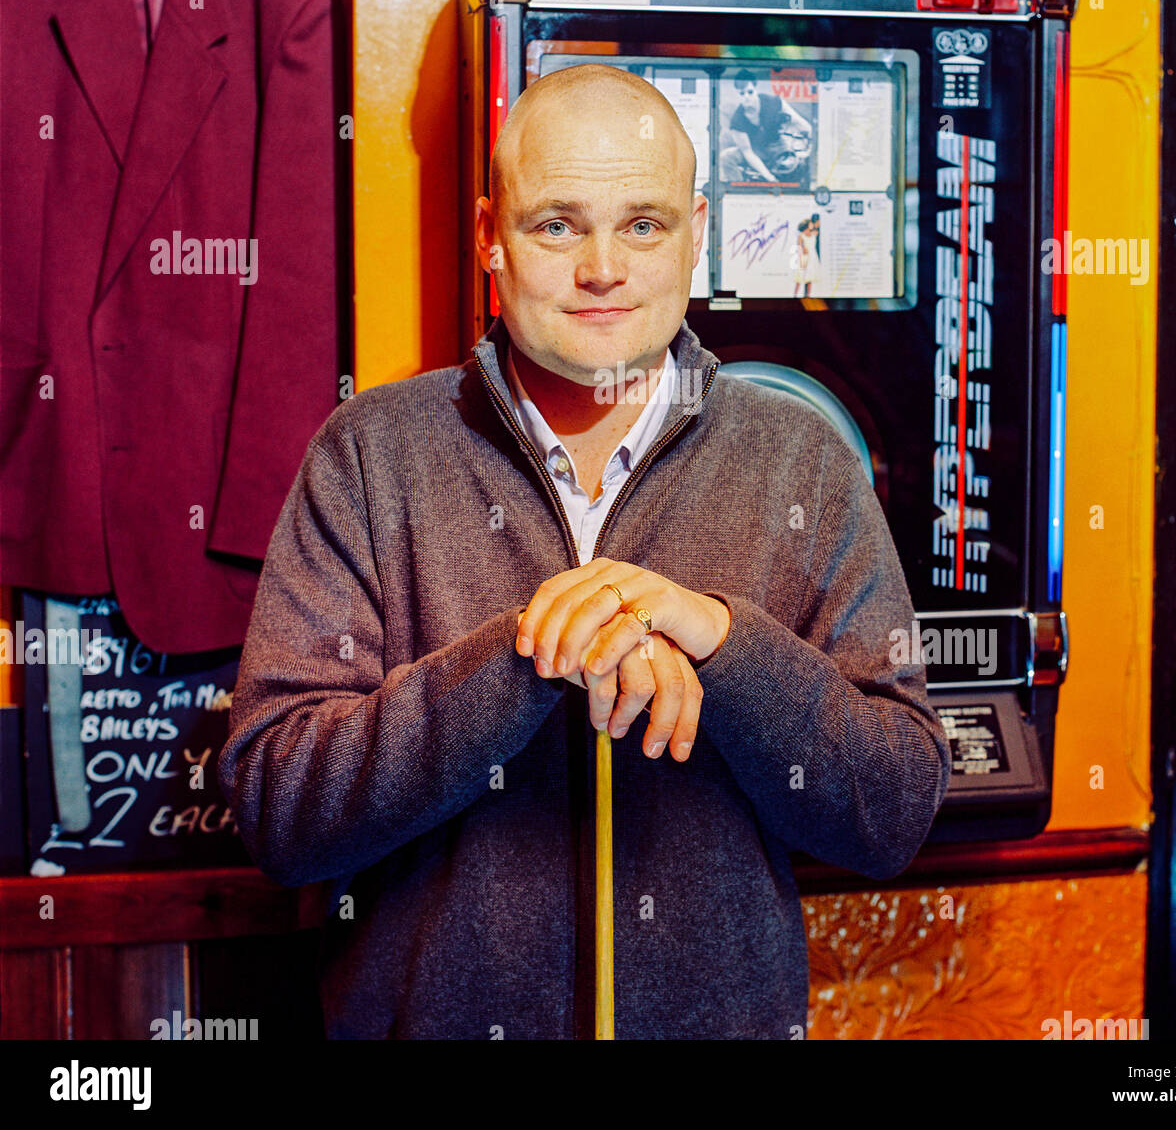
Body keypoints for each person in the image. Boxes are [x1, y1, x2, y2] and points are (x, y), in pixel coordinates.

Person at [217, 63, 951, 1040]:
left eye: (642, 224)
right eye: (556, 224)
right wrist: (529, 654)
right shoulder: (370, 452)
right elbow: (279, 812)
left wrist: (725, 643)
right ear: (490, 236)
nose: (601, 266)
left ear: (695, 231)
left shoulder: (799, 459)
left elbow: (891, 811)